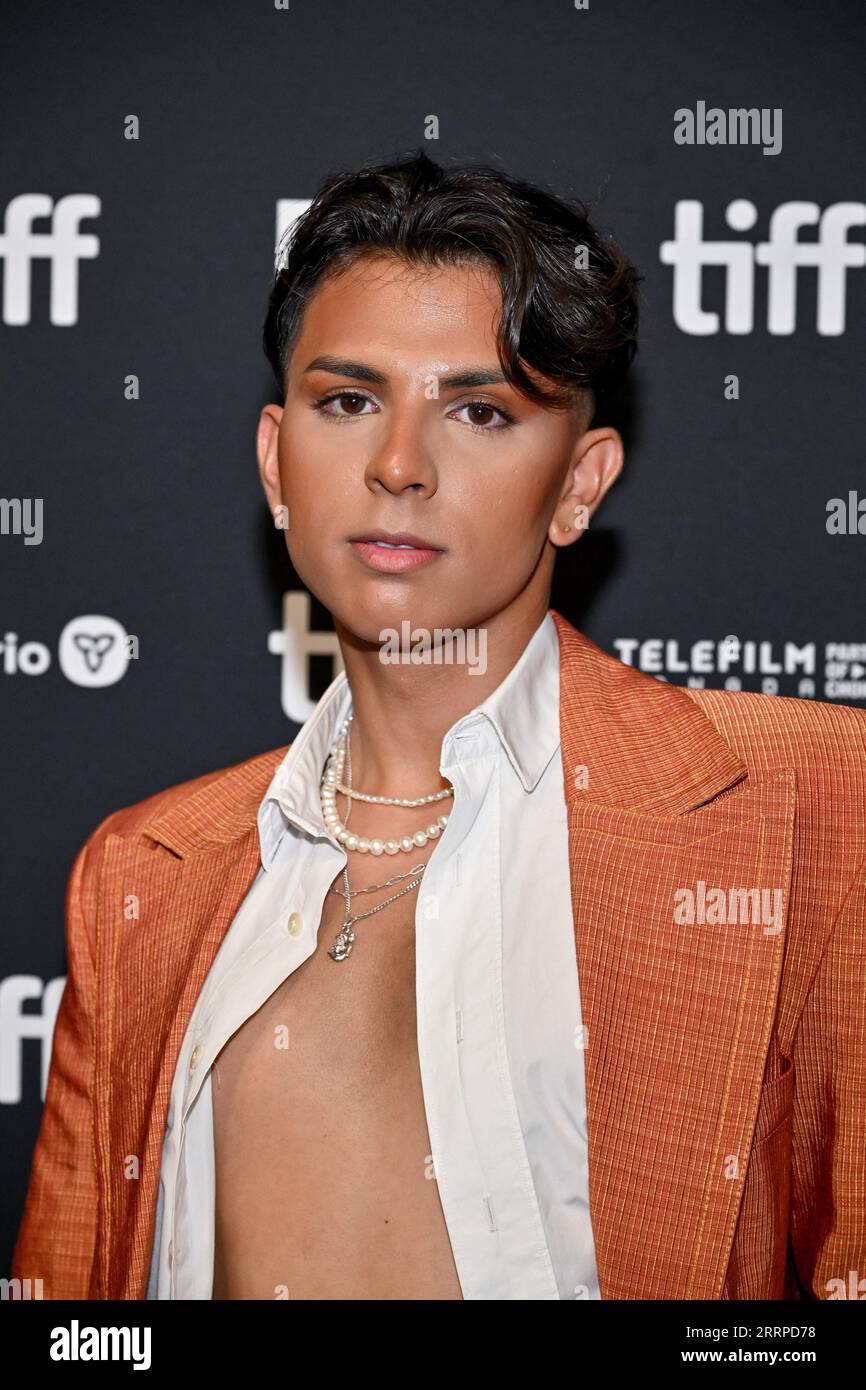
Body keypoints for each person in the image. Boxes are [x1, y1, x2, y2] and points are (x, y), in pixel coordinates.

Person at [12, 150, 866, 1301]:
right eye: (348, 401)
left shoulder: (816, 809)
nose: (398, 466)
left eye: (477, 409)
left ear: (579, 483)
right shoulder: (140, 879)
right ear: (275, 464)